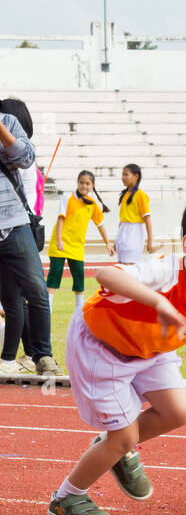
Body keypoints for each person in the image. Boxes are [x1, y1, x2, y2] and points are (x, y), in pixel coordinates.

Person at [47, 192, 186, 515]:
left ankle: (112, 445)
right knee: (124, 438)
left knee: (178, 410)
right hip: (101, 348)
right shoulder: (165, 271)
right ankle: (67, 497)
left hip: (150, 349)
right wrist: (159, 303)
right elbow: (106, 276)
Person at [0, 99, 58, 376]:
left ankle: (42, 355)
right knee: (10, 301)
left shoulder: (8, 122)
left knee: (35, 290)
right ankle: (9, 358)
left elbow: (25, 157)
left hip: (13, 223)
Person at [48, 170, 115, 312]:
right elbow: (60, 219)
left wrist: (108, 244)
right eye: (81, 183)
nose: (84, 186)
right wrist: (59, 240)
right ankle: (47, 307)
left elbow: (100, 225)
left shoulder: (92, 204)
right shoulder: (67, 197)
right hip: (59, 244)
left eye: (87, 184)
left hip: (76, 247)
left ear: (92, 186)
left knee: (79, 277)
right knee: (55, 274)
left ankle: (79, 309)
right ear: (77, 183)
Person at [115, 163, 155, 263]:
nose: (123, 177)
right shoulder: (124, 194)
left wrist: (150, 241)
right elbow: (122, 218)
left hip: (134, 232)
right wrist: (118, 238)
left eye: (126, 175)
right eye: (122, 175)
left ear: (136, 176)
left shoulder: (140, 195)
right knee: (121, 264)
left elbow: (147, 219)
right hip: (123, 230)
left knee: (130, 264)